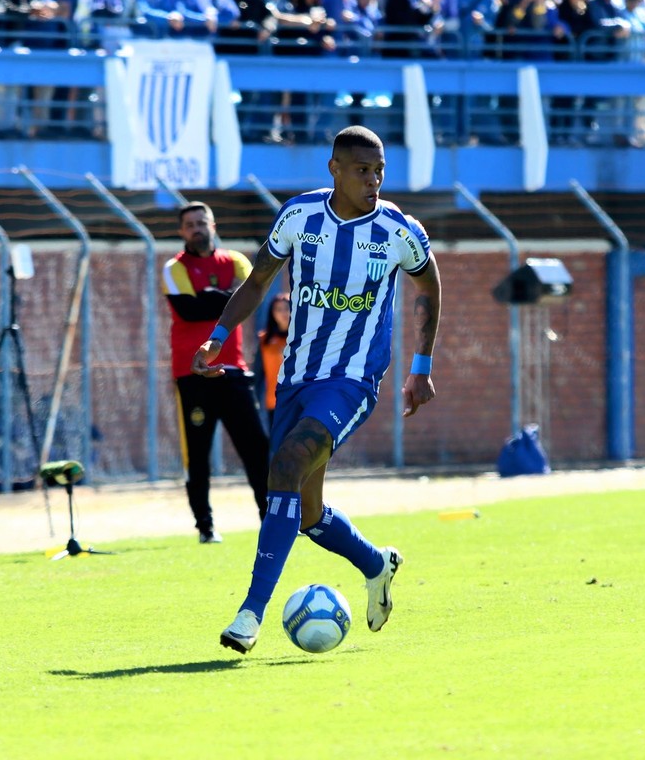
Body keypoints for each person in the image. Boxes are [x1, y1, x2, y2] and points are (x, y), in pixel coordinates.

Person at [193, 126, 442, 654]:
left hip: (353, 380)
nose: (373, 180)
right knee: (306, 512)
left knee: (285, 465)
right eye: (361, 171)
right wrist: (217, 336)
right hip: (296, 377)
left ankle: (249, 614)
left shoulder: (399, 230)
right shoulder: (300, 217)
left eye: (379, 171)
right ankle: (377, 564)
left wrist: (421, 366)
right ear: (334, 169)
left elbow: (428, 284)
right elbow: (257, 281)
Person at [162, 202, 269, 544]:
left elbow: (252, 295)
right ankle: (205, 527)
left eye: (201, 222)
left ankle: (270, 520)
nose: (196, 228)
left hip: (232, 370)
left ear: (213, 223)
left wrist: (212, 296)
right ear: (182, 231)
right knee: (198, 454)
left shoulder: (235, 260)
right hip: (191, 374)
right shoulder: (173, 268)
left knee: (256, 448)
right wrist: (225, 297)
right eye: (189, 224)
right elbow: (189, 310)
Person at [256, 292, 290, 426]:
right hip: (274, 402)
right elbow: (258, 376)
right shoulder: (265, 341)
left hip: (299, 402)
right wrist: (256, 401)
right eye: (278, 309)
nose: (283, 313)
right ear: (272, 313)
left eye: (287, 308)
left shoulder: (303, 338)